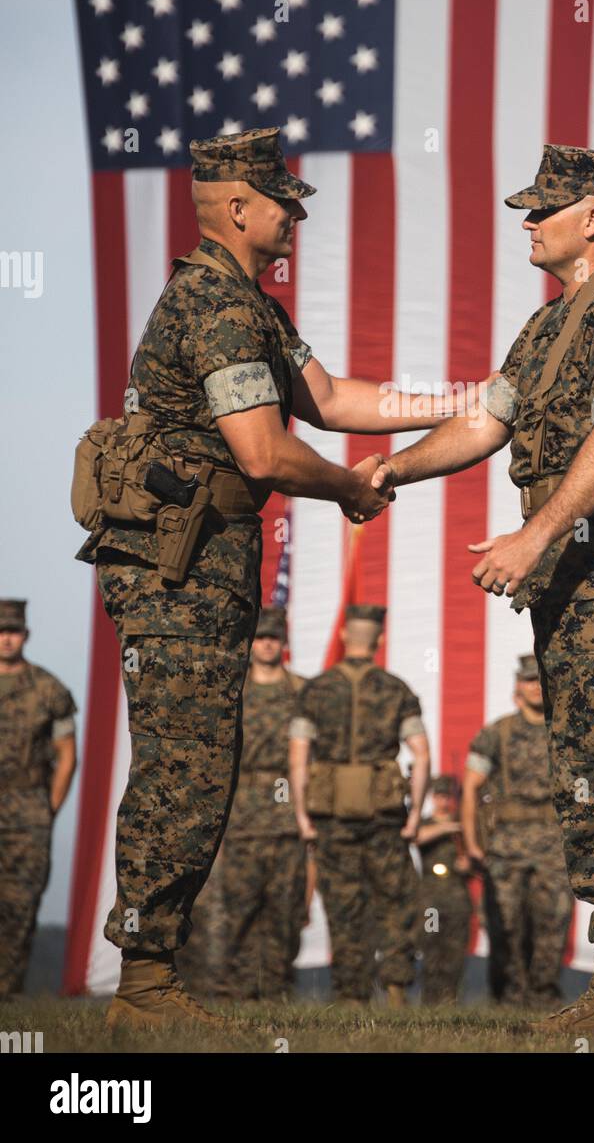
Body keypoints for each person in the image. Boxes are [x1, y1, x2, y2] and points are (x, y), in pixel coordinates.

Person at [76, 126, 462, 1029]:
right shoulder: (213, 303)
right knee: (185, 768)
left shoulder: (252, 306)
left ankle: (151, 975)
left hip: (205, 576)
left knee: (198, 765)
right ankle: (144, 981)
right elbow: (263, 451)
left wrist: (460, 401)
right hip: (177, 578)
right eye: (283, 200)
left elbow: (329, 401)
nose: (295, 213)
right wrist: (349, 491)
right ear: (238, 209)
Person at [372, 145, 594, 1037]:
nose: (526, 221)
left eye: (542, 208)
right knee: (589, 771)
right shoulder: (550, 326)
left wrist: (534, 534)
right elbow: (486, 419)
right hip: (576, 589)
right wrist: (388, 472)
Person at [290, 604, 430, 1006]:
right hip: (384, 815)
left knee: (343, 904)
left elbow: (298, 759)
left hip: (330, 815)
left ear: (344, 636)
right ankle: (396, 987)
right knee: (397, 901)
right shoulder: (396, 689)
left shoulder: (313, 691)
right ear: (379, 639)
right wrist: (415, 814)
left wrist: (302, 816)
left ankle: (351, 993)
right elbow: (421, 755)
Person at [180, 605, 309, 998]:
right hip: (239, 816)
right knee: (235, 911)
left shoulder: (304, 692)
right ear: (252, 643)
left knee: (285, 913)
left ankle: (276, 992)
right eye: (262, 637)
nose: (268, 644)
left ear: (283, 643)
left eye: (275, 637)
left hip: (288, 818)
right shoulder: (232, 691)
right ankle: (233, 994)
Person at [462, 655, 571, 1008]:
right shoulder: (497, 733)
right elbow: (471, 788)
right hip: (506, 845)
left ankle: (544, 997)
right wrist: (472, 842)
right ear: (516, 689)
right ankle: (507, 999)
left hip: (555, 845)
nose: (535, 686)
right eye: (528, 680)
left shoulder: (565, 734)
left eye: (540, 680)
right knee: (504, 924)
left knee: (552, 924)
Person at [0, 599, 77, 997]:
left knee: (19, 903)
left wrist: (48, 808)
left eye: (12, 631)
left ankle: (7, 991)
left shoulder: (49, 689)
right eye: (1, 631)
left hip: (27, 807)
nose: (6, 638)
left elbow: (67, 753)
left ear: (25, 636)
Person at [416, 774, 472, 1004]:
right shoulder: (426, 824)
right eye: (440, 796)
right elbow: (417, 838)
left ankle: (450, 999)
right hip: (431, 898)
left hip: (457, 896)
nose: (444, 802)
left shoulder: (464, 828)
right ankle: (429, 1000)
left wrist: (468, 862)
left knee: (455, 952)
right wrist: (447, 827)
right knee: (431, 949)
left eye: (448, 797)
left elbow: (478, 855)